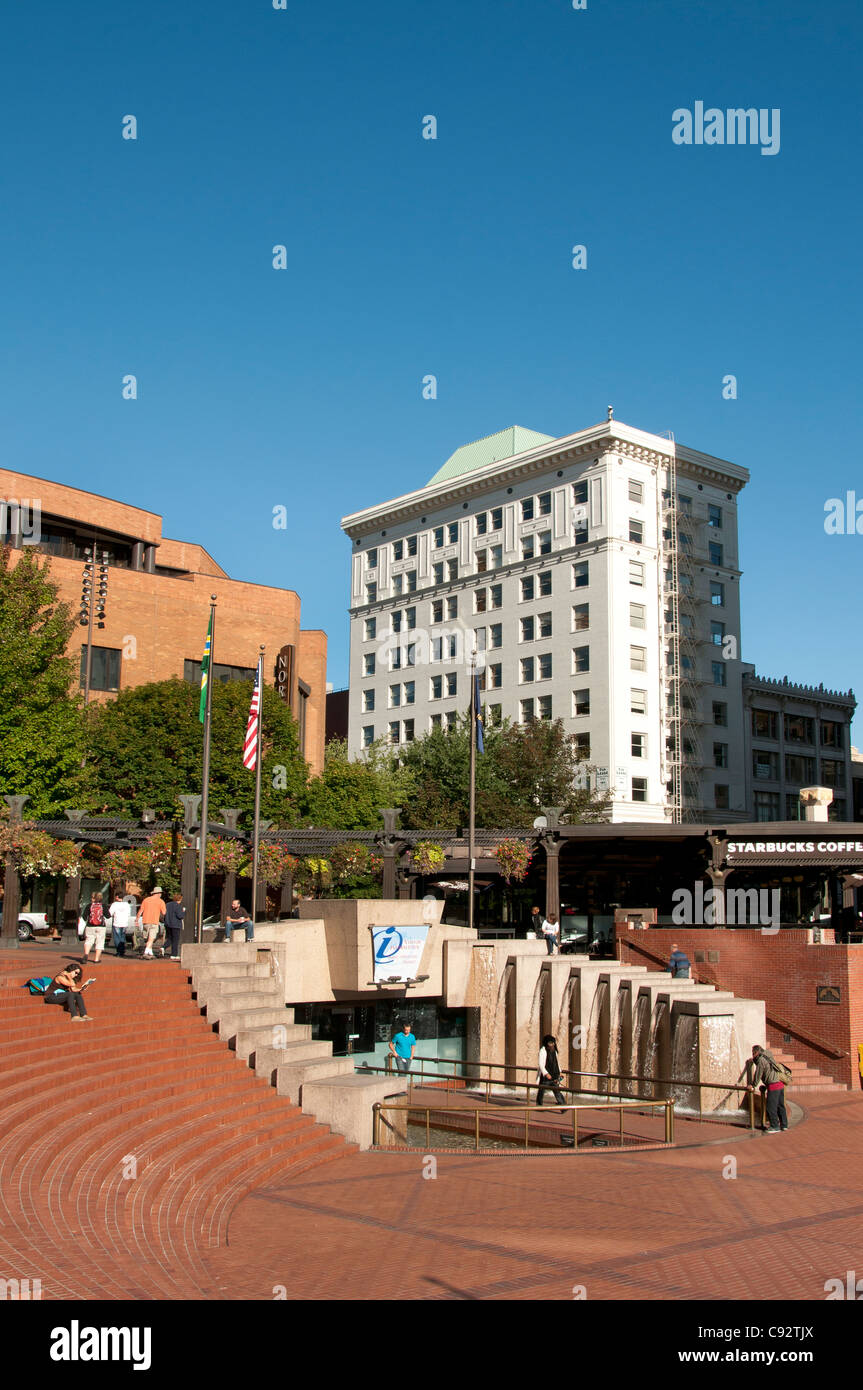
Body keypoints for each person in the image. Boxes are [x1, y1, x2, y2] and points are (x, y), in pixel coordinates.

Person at [746, 1044, 789, 1133]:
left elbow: (758, 1074)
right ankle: (784, 1125)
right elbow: (766, 1062)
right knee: (780, 1106)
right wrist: (754, 1060)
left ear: (756, 1052)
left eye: (753, 1053)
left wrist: (753, 1085)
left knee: (770, 1107)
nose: (752, 1055)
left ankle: (774, 1126)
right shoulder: (768, 1054)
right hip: (780, 1083)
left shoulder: (761, 1061)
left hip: (773, 1085)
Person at [537, 1034, 567, 1108]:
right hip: (546, 1076)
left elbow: (556, 1062)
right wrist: (546, 1073)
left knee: (557, 1091)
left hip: (554, 1074)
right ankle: (539, 1105)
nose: (552, 1044)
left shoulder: (554, 1051)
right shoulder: (542, 1051)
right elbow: (541, 1064)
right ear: (546, 1043)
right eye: (550, 1043)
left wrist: (559, 1072)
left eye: (553, 1043)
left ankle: (563, 1106)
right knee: (541, 1091)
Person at [137, 886, 167, 959]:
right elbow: (164, 912)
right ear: (159, 893)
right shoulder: (160, 901)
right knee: (151, 938)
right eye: (160, 893)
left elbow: (141, 910)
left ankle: (150, 952)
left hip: (145, 921)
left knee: (147, 937)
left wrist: (137, 919)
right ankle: (146, 951)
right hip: (154, 921)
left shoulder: (146, 900)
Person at [83, 891, 106, 965]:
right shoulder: (103, 906)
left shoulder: (89, 906)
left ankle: (86, 954)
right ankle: (96, 959)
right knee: (100, 942)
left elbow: (84, 917)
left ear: (93, 898)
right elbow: (108, 916)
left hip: (90, 926)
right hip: (101, 927)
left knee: (88, 940)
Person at [107, 891, 131, 957]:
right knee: (122, 937)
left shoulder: (114, 904)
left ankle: (119, 951)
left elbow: (110, 913)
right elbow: (129, 914)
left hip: (117, 922)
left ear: (117, 897)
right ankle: (122, 950)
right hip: (124, 923)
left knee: (117, 937)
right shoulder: (127, 904)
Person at [164, 892, 185, 961]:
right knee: (175, 940)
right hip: (176, 925)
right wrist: (183, 911)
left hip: (168, 924)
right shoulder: (178, 906)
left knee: (170, 938)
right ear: (180, 898)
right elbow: (180, 916)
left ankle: (163, 947)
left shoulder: (168, 904)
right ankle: (174, 954)